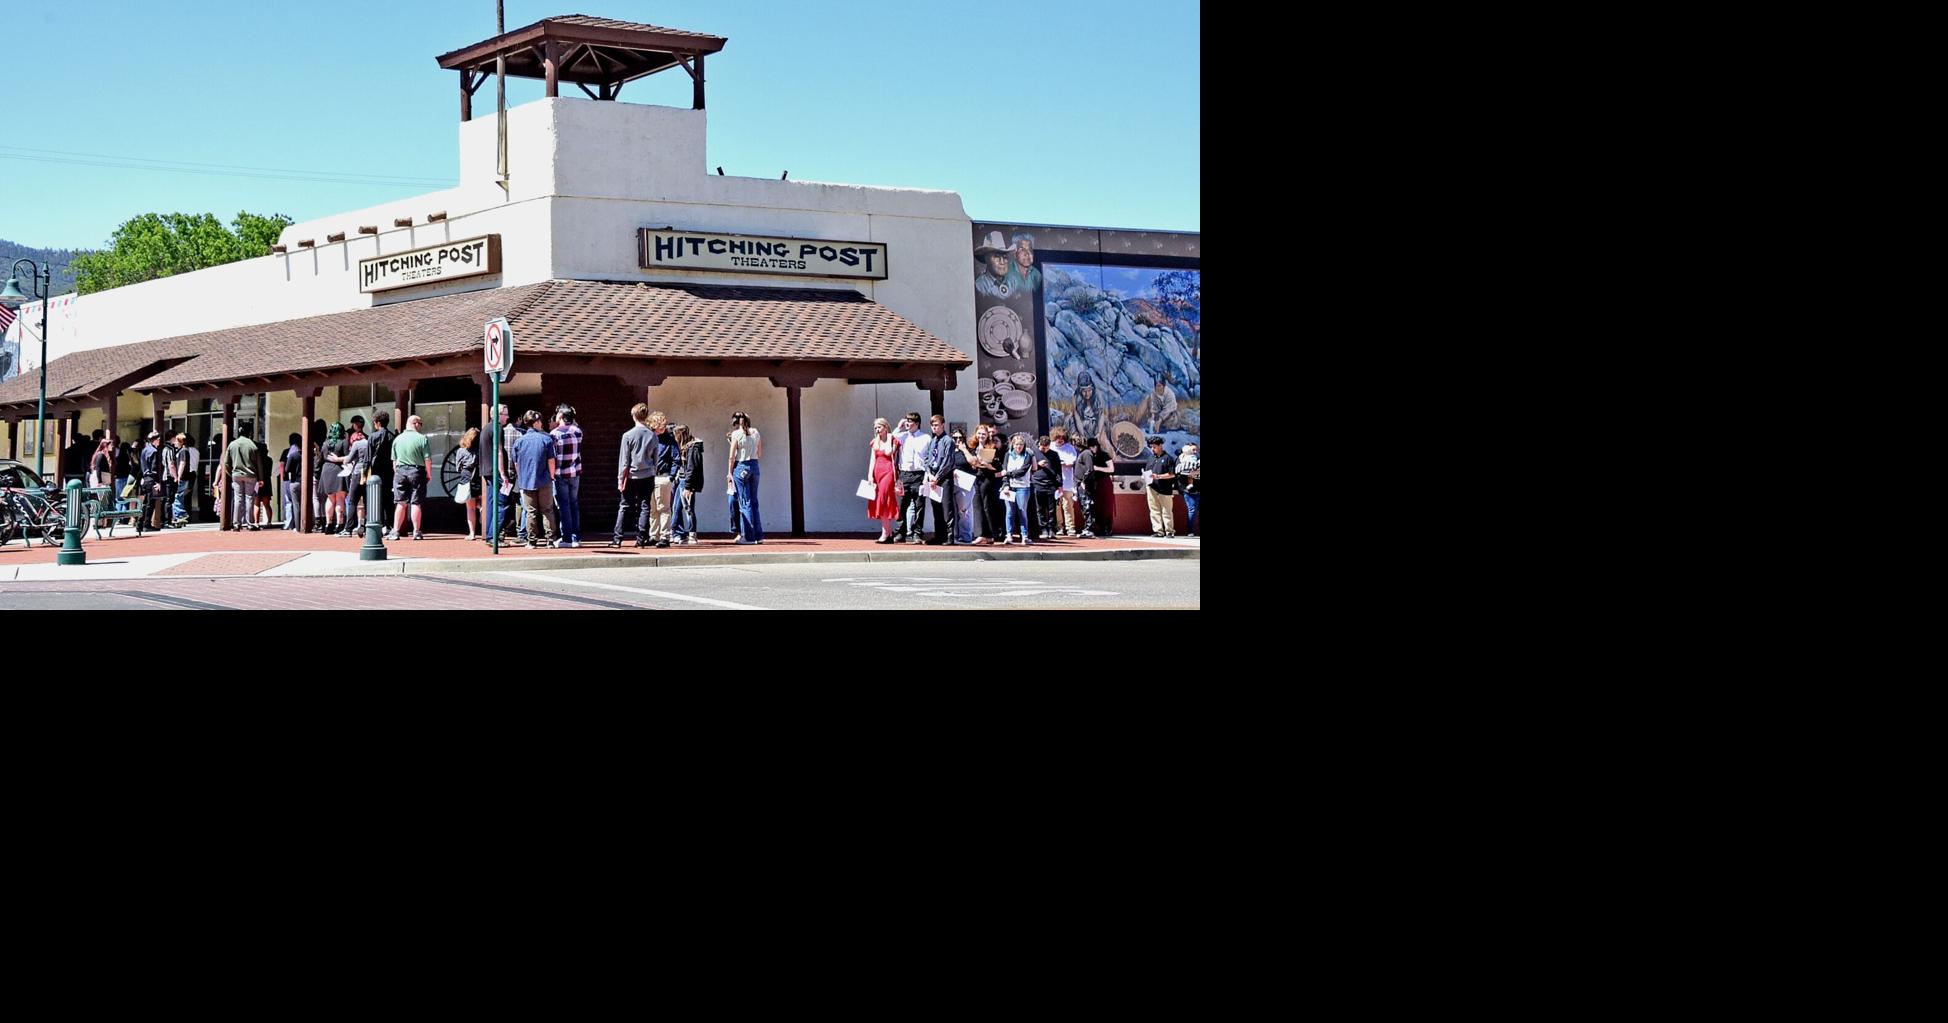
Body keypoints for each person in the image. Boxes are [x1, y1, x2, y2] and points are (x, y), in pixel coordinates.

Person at [512, 409, 560, 548]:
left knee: (530, 511)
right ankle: (550, 539)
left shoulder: (519, 441)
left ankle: (531, 540)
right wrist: (552, 475)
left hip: (526, 480)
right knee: (547, 510)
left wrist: (521, 476)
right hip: (544, 479)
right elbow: (551, 460)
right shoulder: (546, 439)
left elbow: (516, 463)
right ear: (536, 422)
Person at [611, 403, 656, 547]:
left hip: (631, 475)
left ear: (634, 416)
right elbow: (656, 457)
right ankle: (641, 538)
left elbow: (624, 460)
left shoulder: (628, 435)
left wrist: (620, 479)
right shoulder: (653, 435)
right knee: (645, 506)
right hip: (648, 474)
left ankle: (617, 538)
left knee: (624, 505)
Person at [388, 414, 432, 541]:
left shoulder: (398, 439)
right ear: (416, 424)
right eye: (420, 424)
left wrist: (398, 472)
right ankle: (416, 532)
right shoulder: (422, 439)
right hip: (416, 471)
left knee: (400, 503)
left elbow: (394, 462)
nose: (421, 427)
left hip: (400, 471)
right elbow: (427, 459)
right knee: (416, 502)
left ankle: (395, 531)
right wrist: (429, 473)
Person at [922, 415, 962, 546]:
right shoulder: (932, 441)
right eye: (932, 425)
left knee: (947, 508)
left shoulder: (947, 441)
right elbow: (927, 459)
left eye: (937, 425)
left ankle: (949, 536)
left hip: (944, 478)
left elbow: (948, 462)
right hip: (933, 477)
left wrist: (938, 477)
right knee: (936, 508)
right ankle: (939, 535)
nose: (934, 427)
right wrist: (929, 475)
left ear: (942, 425)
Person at [549, 404, 584, 548]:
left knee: (563, 505)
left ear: (562, 417)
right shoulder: (578, 431)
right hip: (575, 471)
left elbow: (553, 455)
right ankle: (576, 536)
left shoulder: (554, 434)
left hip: (560, 473)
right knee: (574, 503)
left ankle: (567, 538)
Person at [728, 411, 763, 544]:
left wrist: (730, 472)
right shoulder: (756, 432)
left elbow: (732, 456)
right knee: (754, 502)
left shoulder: (736, 434)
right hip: (754, 465)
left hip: (741, 465)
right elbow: (760, 453)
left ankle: (748, 536)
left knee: (744, 502)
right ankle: (759, 535)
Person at [895, 410, 930, 544]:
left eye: (910, 422)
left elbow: (928, 458)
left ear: (917, 423)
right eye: (907, 421)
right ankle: (901, 531)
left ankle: (917, 533)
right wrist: (899, 426)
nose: (907, 424)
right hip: (905, 474)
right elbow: (890, 438)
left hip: (919, 474)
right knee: (903, 504)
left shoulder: (925, 438)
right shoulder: (902, 436)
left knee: (919, 505)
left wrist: (927, 476)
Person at [967, 424, 1001, 545]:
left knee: (987, 506)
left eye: (983, 434)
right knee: (977, 505)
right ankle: (980, 533)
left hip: (987, 479)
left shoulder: (991, 448)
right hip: (976, 478)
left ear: (987, 436)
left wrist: (986, 464)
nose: (981, 436)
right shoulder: (972, 447)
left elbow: (997, 468)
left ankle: (991, 534)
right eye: (979, 433)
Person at [867, 417, 900, 542]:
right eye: (875, 428)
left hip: (888, 472)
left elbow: (890, 452)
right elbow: (872, 459)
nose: (877, 430)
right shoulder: (874, 442)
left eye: (879, 427)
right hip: (877, 473)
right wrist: (870, 475)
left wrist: (894, 432)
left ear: (886, 427)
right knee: (879, 501)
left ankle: (885, 532)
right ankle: (887, 531)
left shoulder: (893, 440)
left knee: (883, 499)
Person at [648, 411, 678, 547]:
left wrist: (671, 476)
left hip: (663, 476)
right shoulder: (651, 438)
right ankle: (654, 535)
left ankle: (665, 536)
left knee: (663, 508)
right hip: (650, 476)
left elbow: (676, 459)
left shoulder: (669, 441)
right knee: (652, 509)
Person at [1000, 433, 1035, 545]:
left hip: (1023, 487)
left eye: (1020, 444)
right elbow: (1004, 470)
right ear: (1013, 445)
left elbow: (1022, 471)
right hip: (1010, 487)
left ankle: (1024, 535)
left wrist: (1009, 473)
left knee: (1022, 510)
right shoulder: (1008, 455)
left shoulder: (1027, 456)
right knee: (1009, 511)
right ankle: (1009, 535)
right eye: (1016, 444)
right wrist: (1005, 484)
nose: (1018, 447)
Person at [225, 428, 261, 531]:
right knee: (249, 498)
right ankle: (249, 523)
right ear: (249, 433)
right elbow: (258, 463)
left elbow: (226, 463)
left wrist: (231, 472)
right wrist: (260, 477)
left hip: (236, 474)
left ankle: (236, 524)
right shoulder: (252, 445)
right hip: (250, 475)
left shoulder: (232, 444)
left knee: (238, 498)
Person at [672, 424, 702, 545]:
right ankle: (676, 531)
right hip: (681, 480)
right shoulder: (684, 447)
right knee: (676, 507)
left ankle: (692, 534)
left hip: (686, 481)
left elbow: (691, 468)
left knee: (688, 508)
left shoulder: (692, 448)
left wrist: (689, 487)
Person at [367, 411, 395, 533]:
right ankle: (389, 524)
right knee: (388, 498)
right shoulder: (392, 436)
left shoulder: (373, 436)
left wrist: (364, 476)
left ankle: (378, 523)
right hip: (389, 471)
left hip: (375, 471)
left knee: (376, 498)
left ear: (378, 423)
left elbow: (367, 458)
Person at [341, 421, 370, 537]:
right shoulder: (369, 443)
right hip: (367, 472)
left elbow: (349, 459)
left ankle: (348, 528)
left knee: (353, 500)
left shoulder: (357, 444)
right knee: (368, 501)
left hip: (357, 472)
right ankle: (368, 525)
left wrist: (344, 460)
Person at [1143, 435, 1176, 538]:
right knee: (1154, 510)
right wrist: (1145, 476)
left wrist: (1158, 476)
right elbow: (1148, 471)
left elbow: (1172, 474)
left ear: (1160, 445)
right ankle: (1158, 531)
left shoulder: (1168, 458)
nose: (1152, 449)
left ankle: (1169, 531)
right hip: (1151, 487)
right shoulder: (1150, 458)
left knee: (1166, 510)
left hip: (1165, 488)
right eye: (1151, 447)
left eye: (1154, 447)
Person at [1031, 434, 1063, 541]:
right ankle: (1043, 528)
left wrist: (1059, 485)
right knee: (1040, 508)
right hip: (1037, 483)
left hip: (1051, 484)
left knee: (1052, 509)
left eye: (1046, 448)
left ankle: (1051, 529)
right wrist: (1038, 464)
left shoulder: (1054, 454)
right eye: (1042, 447)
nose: (1043, 450)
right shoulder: (1034, 453)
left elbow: (1058, 470)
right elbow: (1028, 467)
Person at [318, 423, 347, 534]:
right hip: (338, 469)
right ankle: (339, 524)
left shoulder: (325, 443)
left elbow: (320, 458)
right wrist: (339, 459)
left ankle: (328, 524)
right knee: (340, 498)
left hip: (326, 470)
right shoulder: (343, 442)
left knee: (330, 498)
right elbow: (347, 457)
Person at [1050, 426, 1079, 537]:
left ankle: (1070, 528)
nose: (1060, 439)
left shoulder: (1069, 448)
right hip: (1054, 482)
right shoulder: (1051, 447)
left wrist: (1059, 463)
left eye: (1062, 437)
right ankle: (1059, 527)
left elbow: (1070, 463)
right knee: (1056, 506)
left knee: (1067, 505)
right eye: (1058, 437)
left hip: (1067, 482)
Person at [1083, 437, 1115, 537]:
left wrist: (1098, 468)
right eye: (1091, 447)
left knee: (1106, 506)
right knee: (1096, 506)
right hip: (1093, 483)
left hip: (1104, 482)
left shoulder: (1104, 455)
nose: (1093, 449)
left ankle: (1107, 528)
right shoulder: (1089, 456)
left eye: (1094, 446)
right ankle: (1098, 527)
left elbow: (1111, 469)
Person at [139, 430, 169, 532]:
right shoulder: (154, 451)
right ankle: (146, 524)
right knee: (150, 503)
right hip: (152, 479)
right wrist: (157, 482)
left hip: (145, 478)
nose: (159, 440)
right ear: (154, 440)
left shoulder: (144, 450)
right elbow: (154, 468)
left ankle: (140, 523)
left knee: (145, 502)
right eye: (158, 439)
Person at [974, 230, 1016, 300]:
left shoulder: (1013, 282)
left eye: (1005, 257)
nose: (1002, 262)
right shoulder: (979, 286)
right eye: (997, 257)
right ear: (987, 259)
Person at [455, 427, 480, 541]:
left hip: (466, 478)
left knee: (470, 508)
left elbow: (457, 467)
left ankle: (472, 533)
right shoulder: (480, 450)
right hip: (479, 478)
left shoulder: (461, 451)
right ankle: (486, 528)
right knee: (483, 504)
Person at [1073, 438, 1099, 540]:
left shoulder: (1087, 453)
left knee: (1087, 506)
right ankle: (1087, 528)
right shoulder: (1083, 453)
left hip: (1086, 485)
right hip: (1081, 484)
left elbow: (1090, 469)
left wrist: (1084, 481)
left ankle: (1089, 529)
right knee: (1084, 506)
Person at [278, 433, 303, 530]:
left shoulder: (286, 452)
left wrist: (282, 477)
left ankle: (289, 523)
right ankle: (301, 523)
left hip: (289, 480)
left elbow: (282, 465)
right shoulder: (302, 452)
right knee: (299, 502)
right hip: (301, 479)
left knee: (289, 502)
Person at [1175, 442, 1199, 538]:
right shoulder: (1181, 460)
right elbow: (1178, 475)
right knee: (1192, 509)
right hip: (1189, 491)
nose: (1195, 452)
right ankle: (1190, 531)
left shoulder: (1196, 459)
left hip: (1198, 488)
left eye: (1196, 450)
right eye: (1193, 450)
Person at [166, 433, 190, 529]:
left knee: (177, 496)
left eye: (176, 441)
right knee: (178, 496)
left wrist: (178, 476)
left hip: (182, 477)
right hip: (182, 477)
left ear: (180, 441)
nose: (175, 443)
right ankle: (178, 515)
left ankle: (181, 514)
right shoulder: (181, 450)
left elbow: (182, 463)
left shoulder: (183, 451)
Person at [179, 436, 200, 524]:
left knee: (181, 495)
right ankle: (189, 515)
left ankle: (183, 515)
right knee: (189, 495)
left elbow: (183, 463)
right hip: (193, 473)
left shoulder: (185, 451)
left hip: (186, 474)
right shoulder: (196, 451)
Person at [114, 439, 137, 512]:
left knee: (118, 499)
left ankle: (117, 516)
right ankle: (124, 517)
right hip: (127, 478)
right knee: (126, 498)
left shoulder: (117, 459)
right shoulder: (129, 459)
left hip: (118, 479)